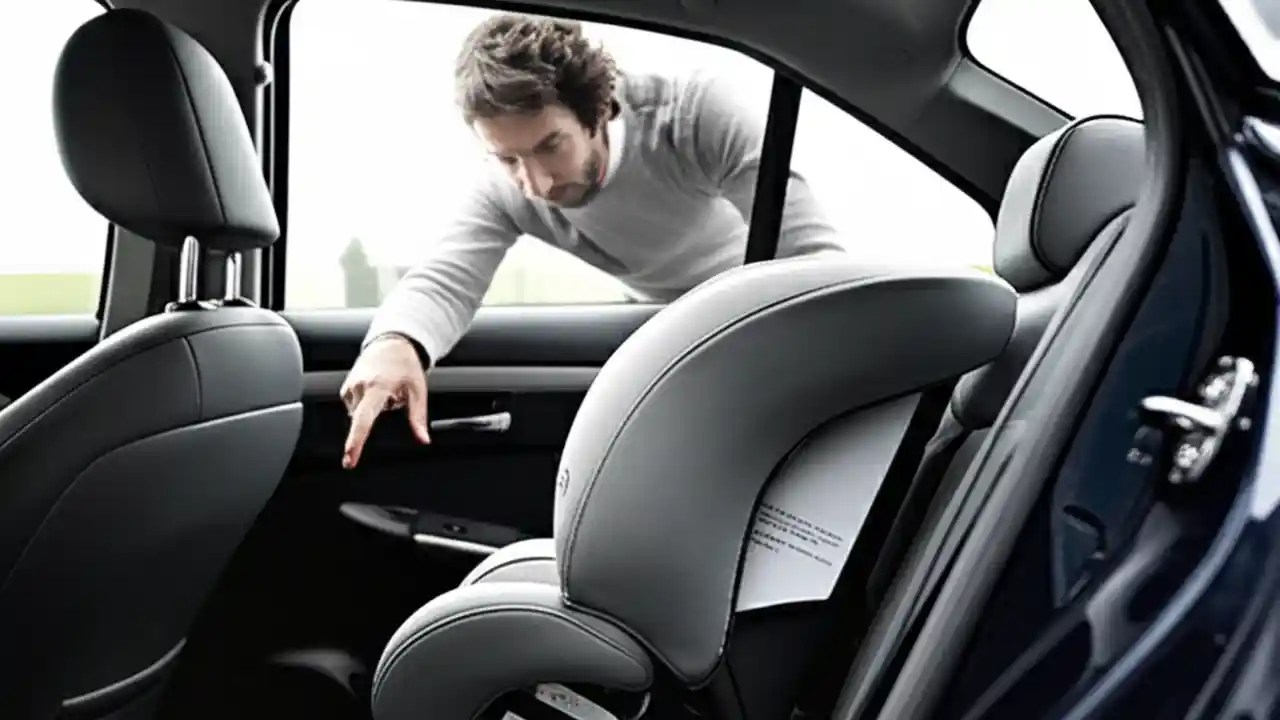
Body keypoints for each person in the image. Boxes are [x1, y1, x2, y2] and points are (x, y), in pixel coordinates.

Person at [339, 12, 845, 469]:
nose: (534, 184)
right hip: (665, 335)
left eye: (549, 146)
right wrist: (394, 344)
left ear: (598, 111)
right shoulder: (506, 189)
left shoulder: (694, 115)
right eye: (508, 158)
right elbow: (444, 281)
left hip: (762, 322)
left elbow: (816, 263)